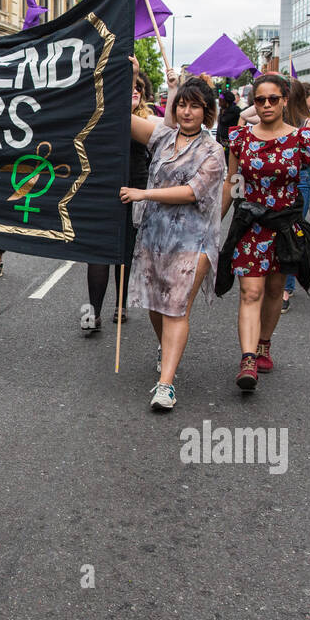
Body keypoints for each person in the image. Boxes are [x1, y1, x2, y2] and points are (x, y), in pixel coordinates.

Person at [219, 74, 310, 391]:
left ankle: (264, 343)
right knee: (251, 292)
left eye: (272, 99)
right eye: (260, 100)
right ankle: (248, 359)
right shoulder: (240, 138)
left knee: (275, 292)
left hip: (285, 227)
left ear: (285, 100)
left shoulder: (303, 139)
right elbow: (231, 183)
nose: (265, 105)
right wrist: (212, 223)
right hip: (250, 225)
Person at [122, 79, 226, 410]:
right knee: (156, 304)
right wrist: (129, 71)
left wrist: (144, 193)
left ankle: (165, 385)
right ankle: (165, 348)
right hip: (154, 234)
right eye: (182, 104)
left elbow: (192, 191)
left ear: (207, 112)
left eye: (195, 106)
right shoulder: (163, 136)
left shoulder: (214, 151)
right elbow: (118, 117)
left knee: (176, 306)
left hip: (194, 241)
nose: (187, 111)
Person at [83, 56, 155, 331]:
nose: (134, 90)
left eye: (138, 87)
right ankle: (94, 312)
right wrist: (130, 74)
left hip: (135, 191)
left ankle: (121, 306)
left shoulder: (148, 120)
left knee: (125, 251)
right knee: (99, 252)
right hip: (104, 189)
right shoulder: (105, 114)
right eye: (129, 86)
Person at [281, 78, 310, 312]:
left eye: (278, 96)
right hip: (274, 185)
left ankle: (286, 287)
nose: (269, 102)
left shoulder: (309, 124)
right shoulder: (269, 120)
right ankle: (279, 282)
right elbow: (246, 113)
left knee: (292, 234)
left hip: (300, 182)